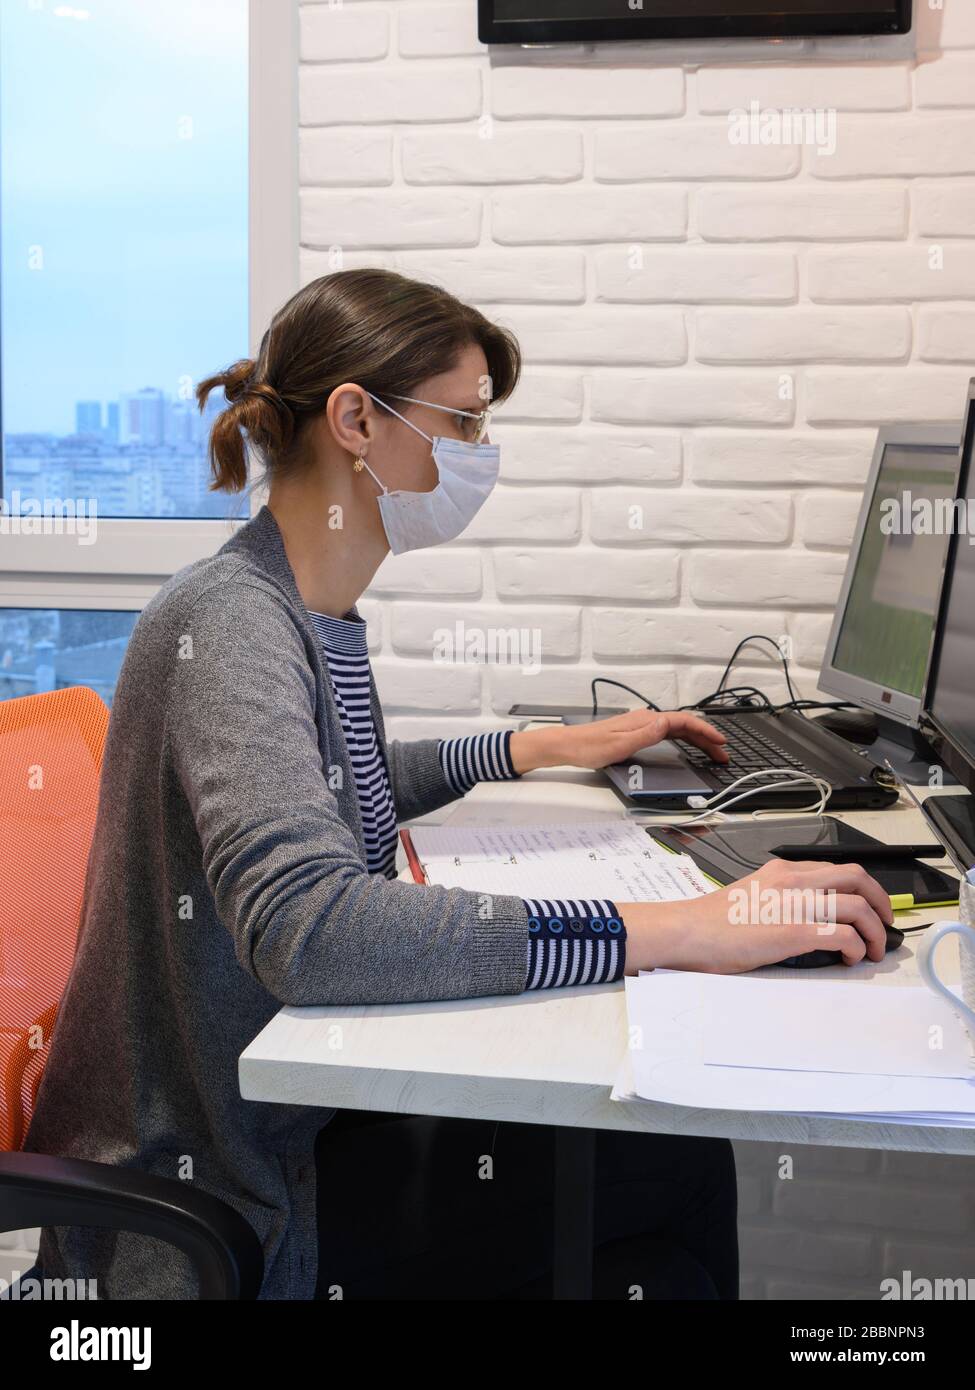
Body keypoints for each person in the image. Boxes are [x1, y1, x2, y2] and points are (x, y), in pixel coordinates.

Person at [17, 268, 894, 1300]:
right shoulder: (235, 621)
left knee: (660, 1221)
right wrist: (686, 928)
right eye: (464, 423)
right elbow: (311, 926)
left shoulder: (304, 607)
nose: (479, 456)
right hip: (239, 1194)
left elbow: (334, 792)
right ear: (355, 418)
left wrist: (536, 748)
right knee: (673, 1179)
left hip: (293, 1131)